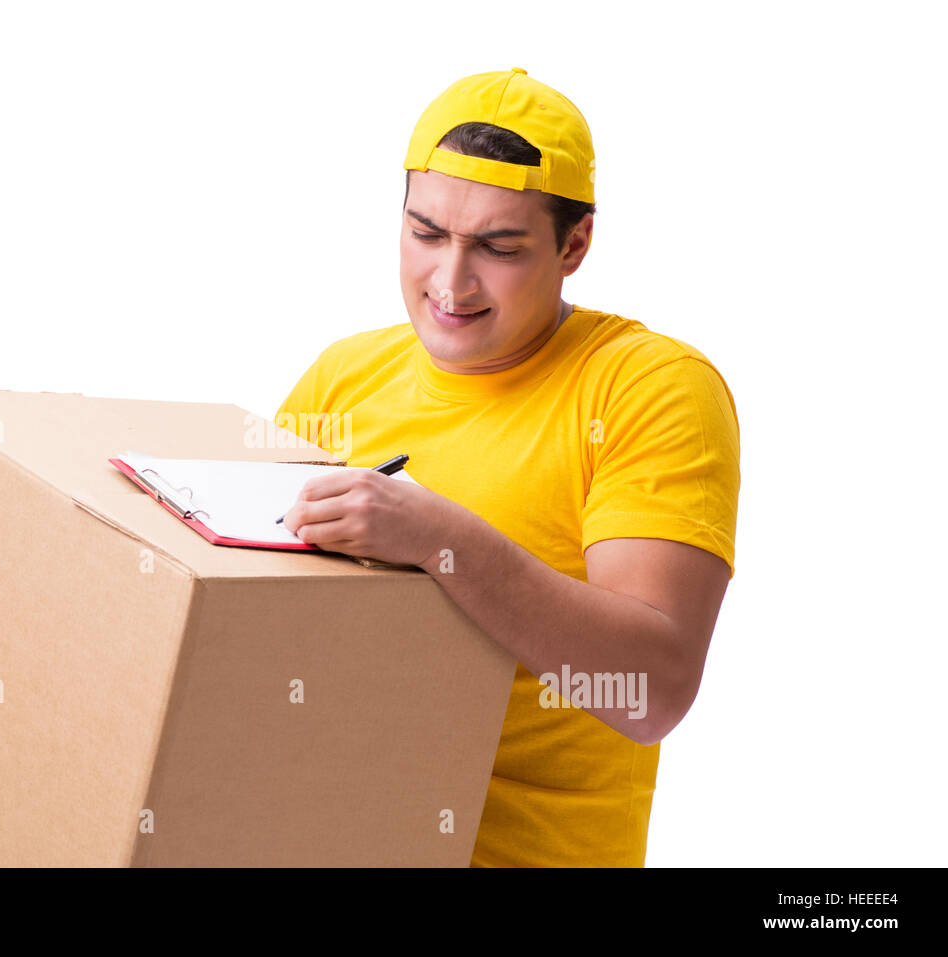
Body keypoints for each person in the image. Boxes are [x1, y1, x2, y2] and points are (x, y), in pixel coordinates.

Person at [274, 67, 740, 867]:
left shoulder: (647, 387)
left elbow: (651, 692)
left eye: (497, 247)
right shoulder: (345, 376)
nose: (450, 283)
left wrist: (440, 538)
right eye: (426, 234)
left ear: (576, 245)